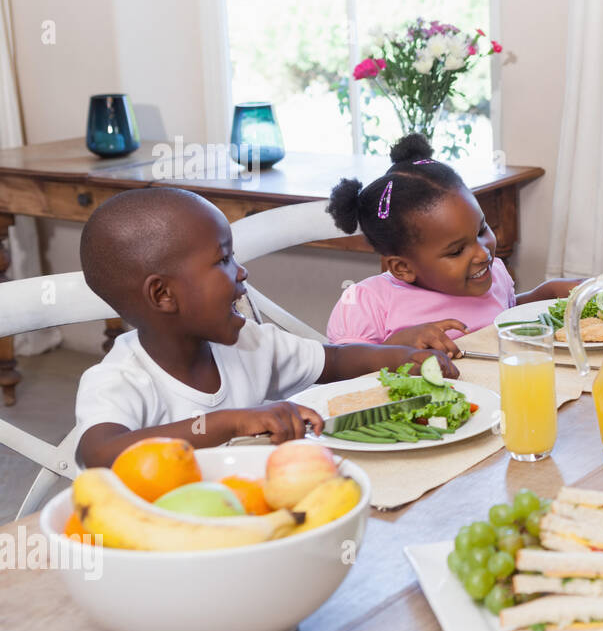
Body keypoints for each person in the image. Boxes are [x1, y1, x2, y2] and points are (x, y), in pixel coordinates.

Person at [74, 187, 455, 468]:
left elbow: (335, 360)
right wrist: (228, 422)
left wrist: (405, 357)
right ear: (163, 294)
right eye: (223, 259)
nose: (241, 271)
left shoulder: (248, 344)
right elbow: (98, 454)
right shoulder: (121, 379)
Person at [326, 134, 577, 355]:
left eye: (481, 230)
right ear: (402, 267)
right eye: (457, 251)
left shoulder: (492, 275)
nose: (482, 253)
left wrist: (545, 294)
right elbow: (343, 366)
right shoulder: (368, 302)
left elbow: (504, 317)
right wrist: (397, 346)